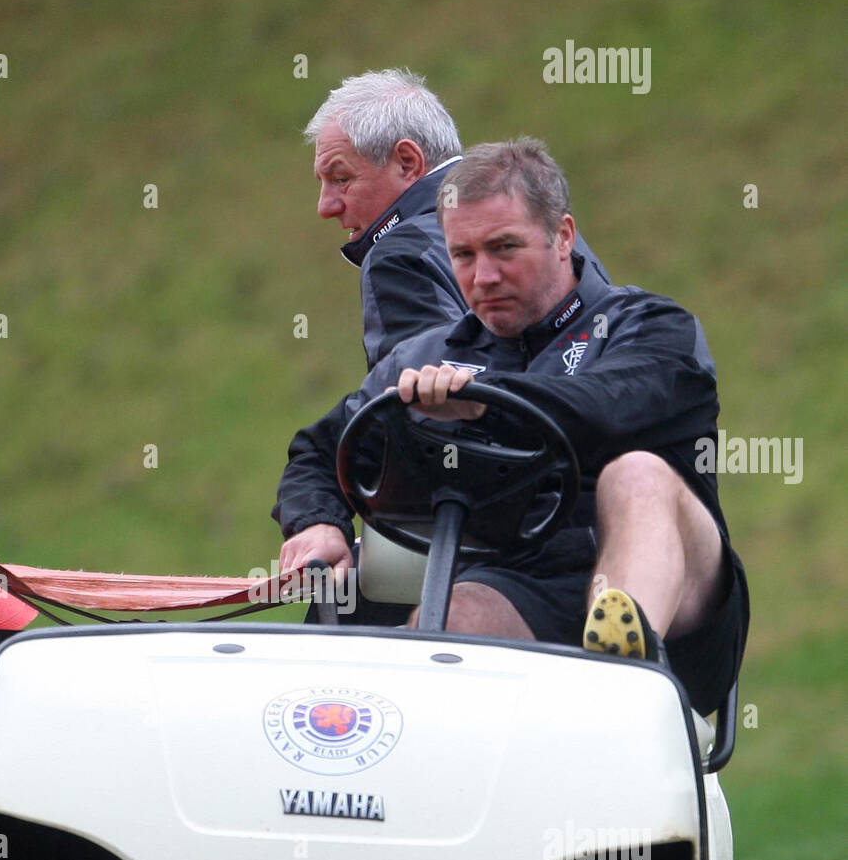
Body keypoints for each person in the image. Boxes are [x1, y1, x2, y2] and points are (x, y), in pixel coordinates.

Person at [273, 138, 747, 716]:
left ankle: (621, 677)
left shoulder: (649, 326)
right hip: (524, 586)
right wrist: (317, 522)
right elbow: (318, 450)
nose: (484, 276)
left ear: (563, 236)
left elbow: (608, 406)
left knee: (639, 472)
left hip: (681, 609)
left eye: (504, 248)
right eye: (464, 255)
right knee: (444, 624)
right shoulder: (428, 358)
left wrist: (483, 402)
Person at [306, 69, 610, 368]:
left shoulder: (397, 257)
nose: (325, 206)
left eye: (342, 178)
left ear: (407, 162)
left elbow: (425, 407)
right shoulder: (537, 216)